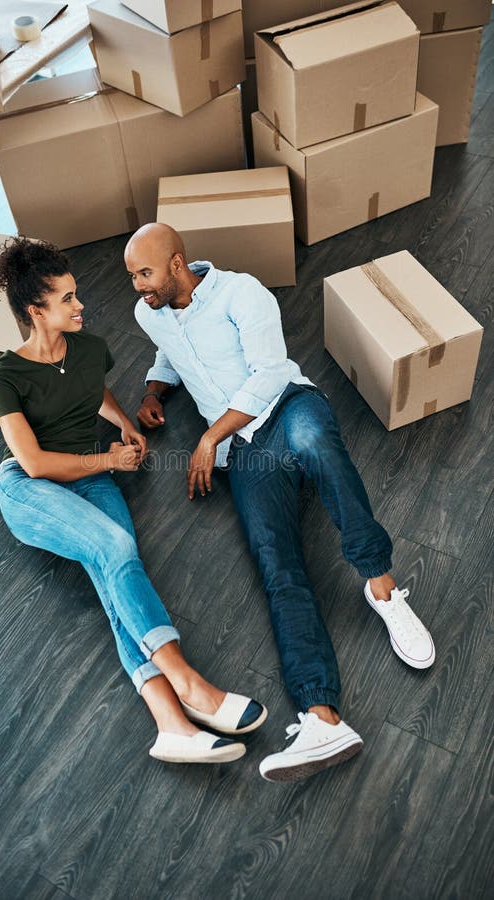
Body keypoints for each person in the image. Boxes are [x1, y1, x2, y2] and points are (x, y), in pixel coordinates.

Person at [125, 223, 435, 783]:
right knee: (277, 566)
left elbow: (270, 374)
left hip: (286, 409)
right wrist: (153, 392)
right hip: (245, 452)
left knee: (316, 442)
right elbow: (169, 349)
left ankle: (381, 586)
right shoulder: (152, 311)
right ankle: (323, 717)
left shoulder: (243, 293)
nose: (136, 286)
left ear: (176, 264)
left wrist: (207, 437)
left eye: (144, 273)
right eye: (131, 277)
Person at [0, 236, 268, 766]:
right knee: (115, 547)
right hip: (31, 491)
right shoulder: (5, 378)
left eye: (75, 294)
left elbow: (94, 389)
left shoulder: (88, 347)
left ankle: (172, 727)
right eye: (66, 299)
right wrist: (109, 462)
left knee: (116, 574)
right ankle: (189, 683)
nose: (79, 305)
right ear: (34, 311)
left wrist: (123, 425)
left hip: (91, 480)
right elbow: (36, 464)